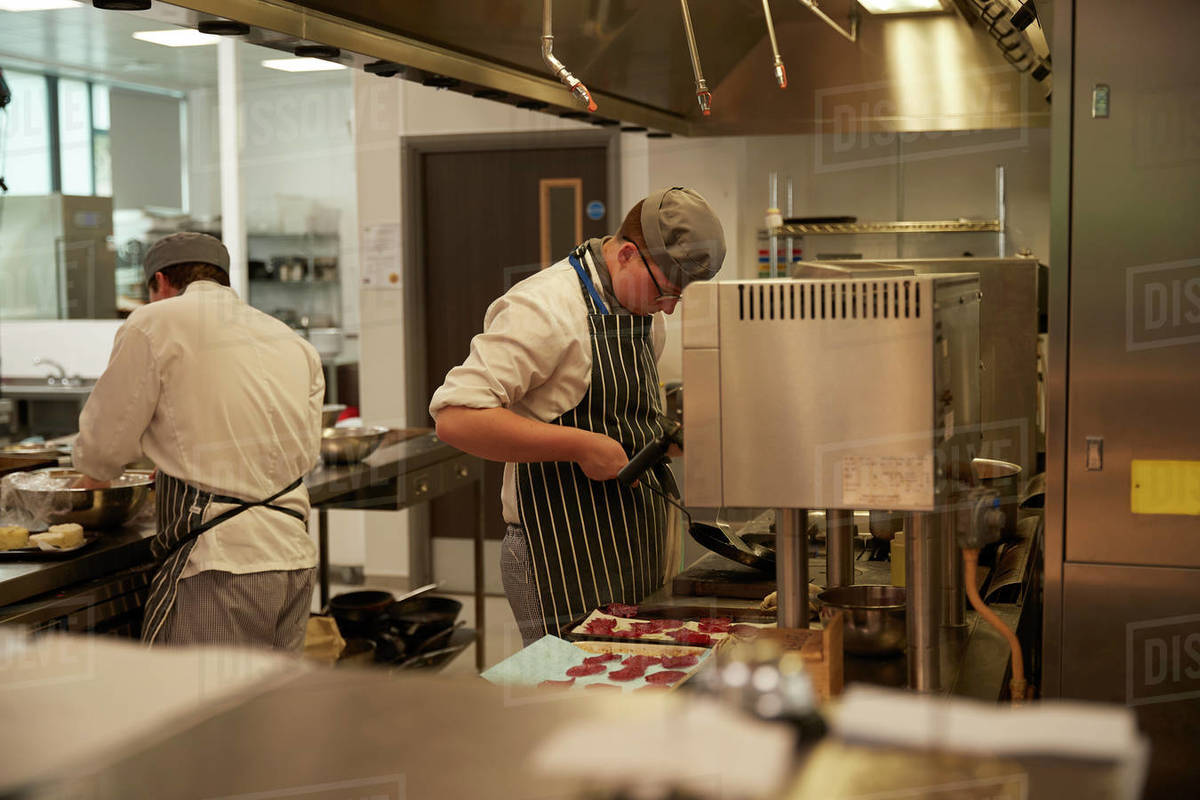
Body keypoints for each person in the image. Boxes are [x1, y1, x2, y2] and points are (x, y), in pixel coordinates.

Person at [431, 187, 726, 645]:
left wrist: (667, 437)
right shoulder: (544, 309)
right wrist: (580, 446)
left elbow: (623, 413)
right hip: (560, 554)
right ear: (627, 254)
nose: (669, 308)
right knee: (565, 702)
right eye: (665, 292)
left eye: (680, 297)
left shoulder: (643, 311)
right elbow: (456, 416)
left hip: (635, 544)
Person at [73, 232, 324, 651]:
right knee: (269, 712)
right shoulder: (288, 337)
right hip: (294, 558)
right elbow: (291, 444)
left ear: (160, 281)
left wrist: (92, 480)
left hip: (220, 563)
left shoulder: (154, 321)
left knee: (198, 712)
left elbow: (109, 434)